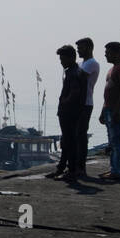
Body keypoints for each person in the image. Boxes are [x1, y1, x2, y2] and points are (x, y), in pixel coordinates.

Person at [48, 45, 87, 181]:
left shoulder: (74, 73)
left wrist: (64, 102)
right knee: (66, 141)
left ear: (71, 57)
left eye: (63, 59)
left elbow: (75, 92)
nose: (61, 62)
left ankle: (71, 170)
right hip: (72, 112)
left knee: (69, 141)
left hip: (70, 113)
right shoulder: (75, 71)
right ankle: (62, 168)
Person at [99, 41, 120, 180]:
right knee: (113, 142)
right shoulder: (112, 69)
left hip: (118, 110)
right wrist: (103, 110)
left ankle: (118, 171)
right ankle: (114, 169)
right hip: (109, 108)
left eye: (108, 52)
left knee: (118, 141)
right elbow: (108, 91)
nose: (106, 55)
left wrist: (118, 110)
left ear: (117, 53)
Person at [75, 37, 101, 176]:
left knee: (81, 135)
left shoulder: (92, 63)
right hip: (77, 103)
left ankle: (81, 166)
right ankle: (75, 164)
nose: (79, 51)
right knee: (75, 135)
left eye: (81, 48)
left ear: (89, 48)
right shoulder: (81, 63)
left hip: (85, 102)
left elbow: (78, 76)